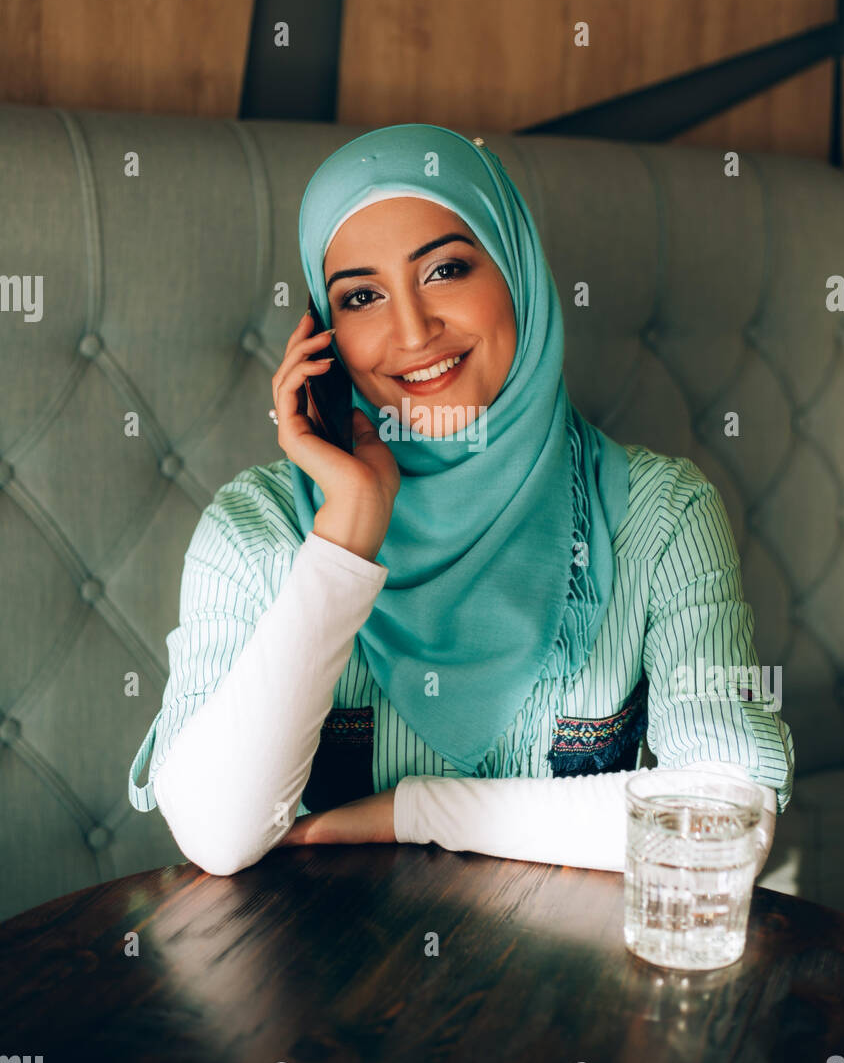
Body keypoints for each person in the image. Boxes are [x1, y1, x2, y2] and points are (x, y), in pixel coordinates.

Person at [128, 124, 794, 877]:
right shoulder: (256, 532)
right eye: (362, 296)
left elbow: (725, 819)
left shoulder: (663, 516)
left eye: (444, 269)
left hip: (573, 989)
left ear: (518, 271)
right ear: (326, 337)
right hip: (313, 987)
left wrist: (416, 813)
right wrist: (345, 535)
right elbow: (218, 833)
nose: (412, 332)